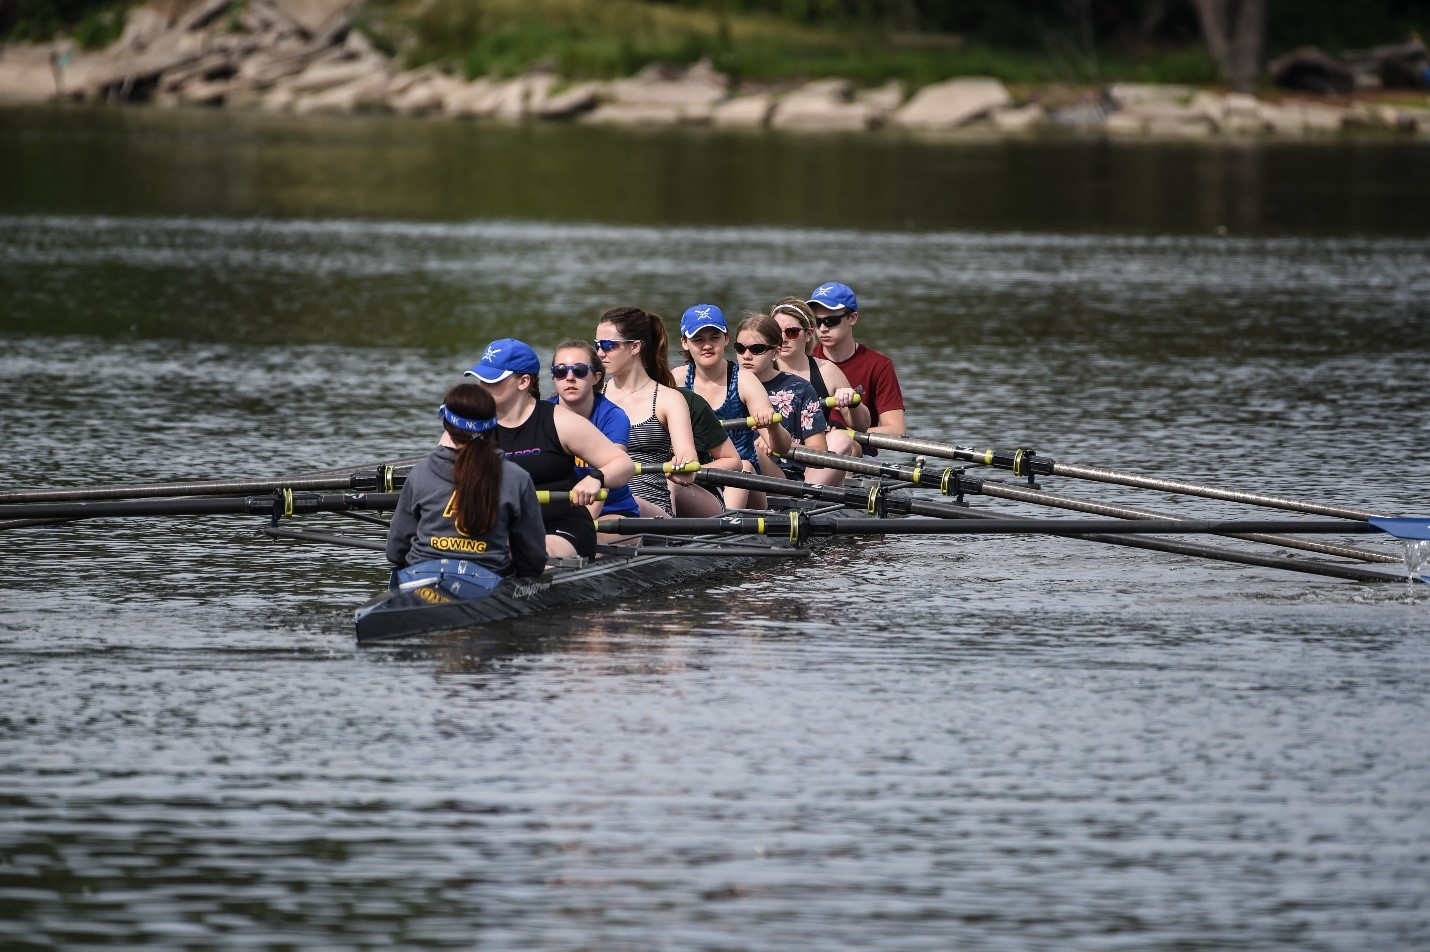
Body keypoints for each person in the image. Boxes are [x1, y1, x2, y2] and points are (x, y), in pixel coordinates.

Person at [467, 338, 635, 560]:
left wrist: (596, 478)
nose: (483, 387)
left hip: (559, 526)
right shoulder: (471, 425)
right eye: (482, 379)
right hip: (500, 525)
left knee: (525, 553)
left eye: (492, 380)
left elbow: (623, 464)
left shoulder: (559, 421)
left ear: (524, 381)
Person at [386, 383, 547, 597]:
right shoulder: (517, 478)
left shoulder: (420, 472)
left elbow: (395, 550)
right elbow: (533, 558)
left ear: (447, 425)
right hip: (488, 583)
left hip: (418, 577)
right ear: (493, 426)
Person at [594, 306, 698, 518]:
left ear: (634, 347)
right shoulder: (593, 397)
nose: (599, 354)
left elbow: (688, 461)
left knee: (624, 502)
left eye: (607, 345)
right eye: (597, 345)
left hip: (652, 512)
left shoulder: (669, 399)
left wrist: (684, 466)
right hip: (601, 505)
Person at [679, 304, 789, 481]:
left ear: (726, 339)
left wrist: (773, 425)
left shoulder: (744, 381)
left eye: (714, 337)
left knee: (742, 466)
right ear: (684, 343)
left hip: (745, 478)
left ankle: (727, 509)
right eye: (698, 339)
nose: (707, 345)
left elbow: (781, 449)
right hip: (694, 477)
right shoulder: (676, 380)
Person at [771, 297, 871, 486]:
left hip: (812, 462)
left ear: (808, 335)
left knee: (841, 439)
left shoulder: (827, 371)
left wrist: (853, 402)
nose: (782, 338)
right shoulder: (759, 370)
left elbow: (861, 426)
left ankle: (806, 497)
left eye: (791, 332)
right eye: (776, 332)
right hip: (770, 459)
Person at [546, 339, 643, 522]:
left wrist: (581, 531)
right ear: (553, 377)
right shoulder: (542, 414)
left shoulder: (613, 416)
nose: (570, 377)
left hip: (610, 511)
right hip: (558, 513)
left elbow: (610, 472)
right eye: (560, 371)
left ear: (596, 377)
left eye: (580, 371)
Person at [807, 282, 907, 443]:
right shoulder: (806, 358)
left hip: (858, 452)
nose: (823, 329)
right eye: (816, 322)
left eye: (831, 321)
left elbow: (896, 430)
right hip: (812, 446)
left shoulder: (879, 365)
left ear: (852, 318)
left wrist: (843, 435)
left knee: (842, 443)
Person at [735, 313, 828, 483]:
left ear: (776, 352)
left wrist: (776, 442)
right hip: (733, 470)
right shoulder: (727, 385)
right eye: (740, 348)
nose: (746, 356)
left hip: (785, 478)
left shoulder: (800, 389)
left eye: (756, 349)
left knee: (750, 452)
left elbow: (820, 454)